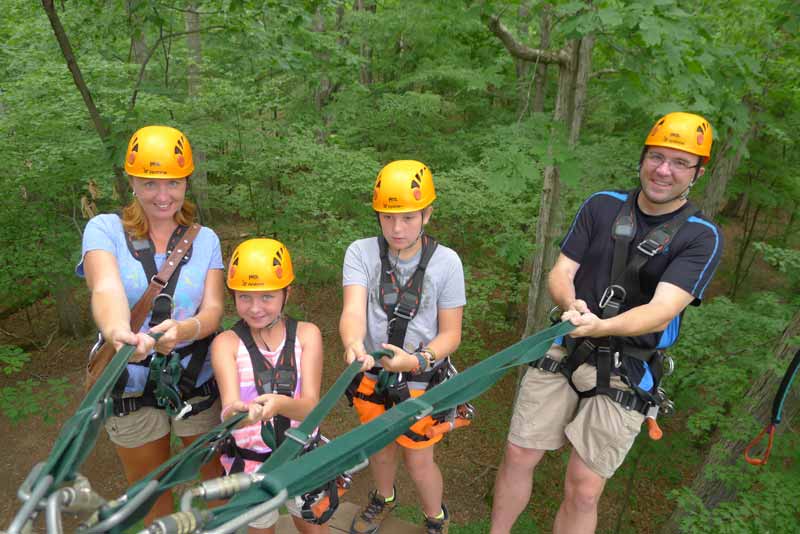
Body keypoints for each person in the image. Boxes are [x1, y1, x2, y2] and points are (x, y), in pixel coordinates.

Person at [490, 112, 724, 534]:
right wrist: (570, 303)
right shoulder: (602, 206)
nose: (664, 170)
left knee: (583, 486)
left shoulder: (699, 236)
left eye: (679, 162)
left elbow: (661, 309)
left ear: (697, 173)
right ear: (642, 158)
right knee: (519, 453)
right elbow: (561, 272)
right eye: (656, 157)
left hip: (628, 365)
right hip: (568, 343)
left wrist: (601, 327)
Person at [78, 125, 225, 524]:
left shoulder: (205, 239)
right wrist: (117, 331)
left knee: (215, 479)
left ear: (186, 182)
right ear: (132, 182)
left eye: (173, 183)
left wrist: (184, 331)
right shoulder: (105, 230)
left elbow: (213, 310)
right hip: (129, 378)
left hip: (195, 377)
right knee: (149, 489)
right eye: (149, 183)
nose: (163, 196)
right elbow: (105, 287)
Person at [340, 160, 466, 534]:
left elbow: (451, 334)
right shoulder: (361, 253)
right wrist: (352, 345)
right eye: (388, 217)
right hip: (373, 374)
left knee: (419, 458)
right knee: (379, 448)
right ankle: (383, 497)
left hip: (420, 377)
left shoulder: (447, 263)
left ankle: (435, 518)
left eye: (409, 218)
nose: (397, 228)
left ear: (427, 214)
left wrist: (416, 360)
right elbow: (352, 310)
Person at [211, 238, 328, 534]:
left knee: (314, 528)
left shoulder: (307, 336)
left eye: (267, 297)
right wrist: (237, 415)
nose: (255, 308)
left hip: (302, 460)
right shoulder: (226, 344)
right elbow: (229, 409)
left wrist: (279, 404)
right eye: (244, 297)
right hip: (252, 466)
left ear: (287, 293)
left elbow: (311, 406)